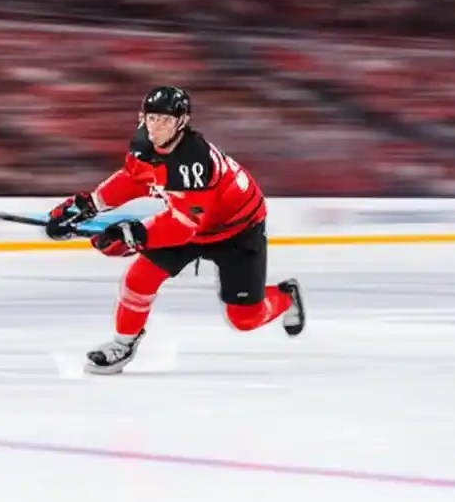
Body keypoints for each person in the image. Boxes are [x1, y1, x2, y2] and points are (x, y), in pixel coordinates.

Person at [45, 86, 304, 375]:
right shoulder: (144, 142)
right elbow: (135, 180)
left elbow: (183, 227)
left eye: (166, 120)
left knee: (245, 319)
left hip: (237, 231)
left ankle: (286, 297)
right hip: (191, 221)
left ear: (182, 122)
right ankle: (123, 343)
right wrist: (88, 204)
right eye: (152, 118)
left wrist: (132, 236)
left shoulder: (193, 160)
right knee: (138, 278)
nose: (157, 127)